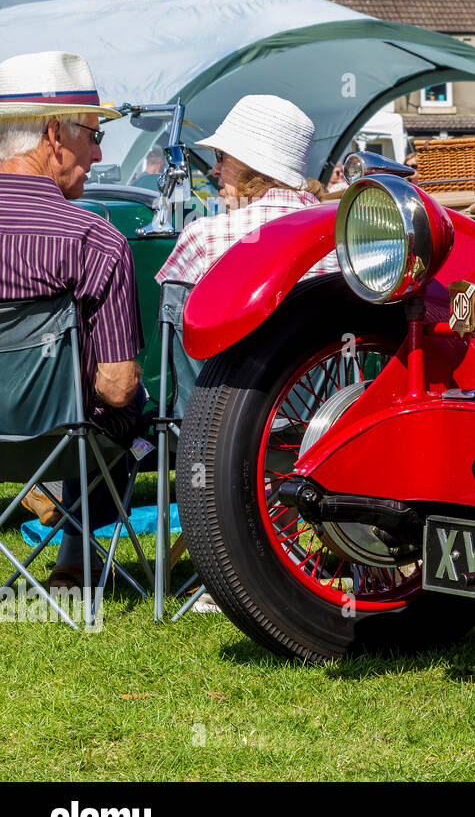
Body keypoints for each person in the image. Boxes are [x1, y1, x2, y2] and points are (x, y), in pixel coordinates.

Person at [0, 50, 145, 589]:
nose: (101, 149)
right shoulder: (97, 241)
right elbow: (117, 387)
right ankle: (78, 553)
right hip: (67, 440)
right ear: (55, 134)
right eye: (93, 131)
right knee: (130, 413)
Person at [155, 94, 337, 286]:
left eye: (220, 156)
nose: (215, 170)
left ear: (248, 164)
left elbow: (172, 312)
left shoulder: (205, 236)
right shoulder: (342, 238)